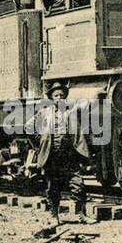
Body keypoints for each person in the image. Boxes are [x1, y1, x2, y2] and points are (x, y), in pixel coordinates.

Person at [33, 80, 90, 233]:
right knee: (53, 187)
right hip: (53, 156)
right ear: (51, 98)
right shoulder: (44, 113)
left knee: (78, 185)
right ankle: (54, 215)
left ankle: (80, 214)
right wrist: (41, 139)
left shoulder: (71, 112)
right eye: (56, 95)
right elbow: (30, 126)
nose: (59, 98)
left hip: (69, 155)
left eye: (62, 95)